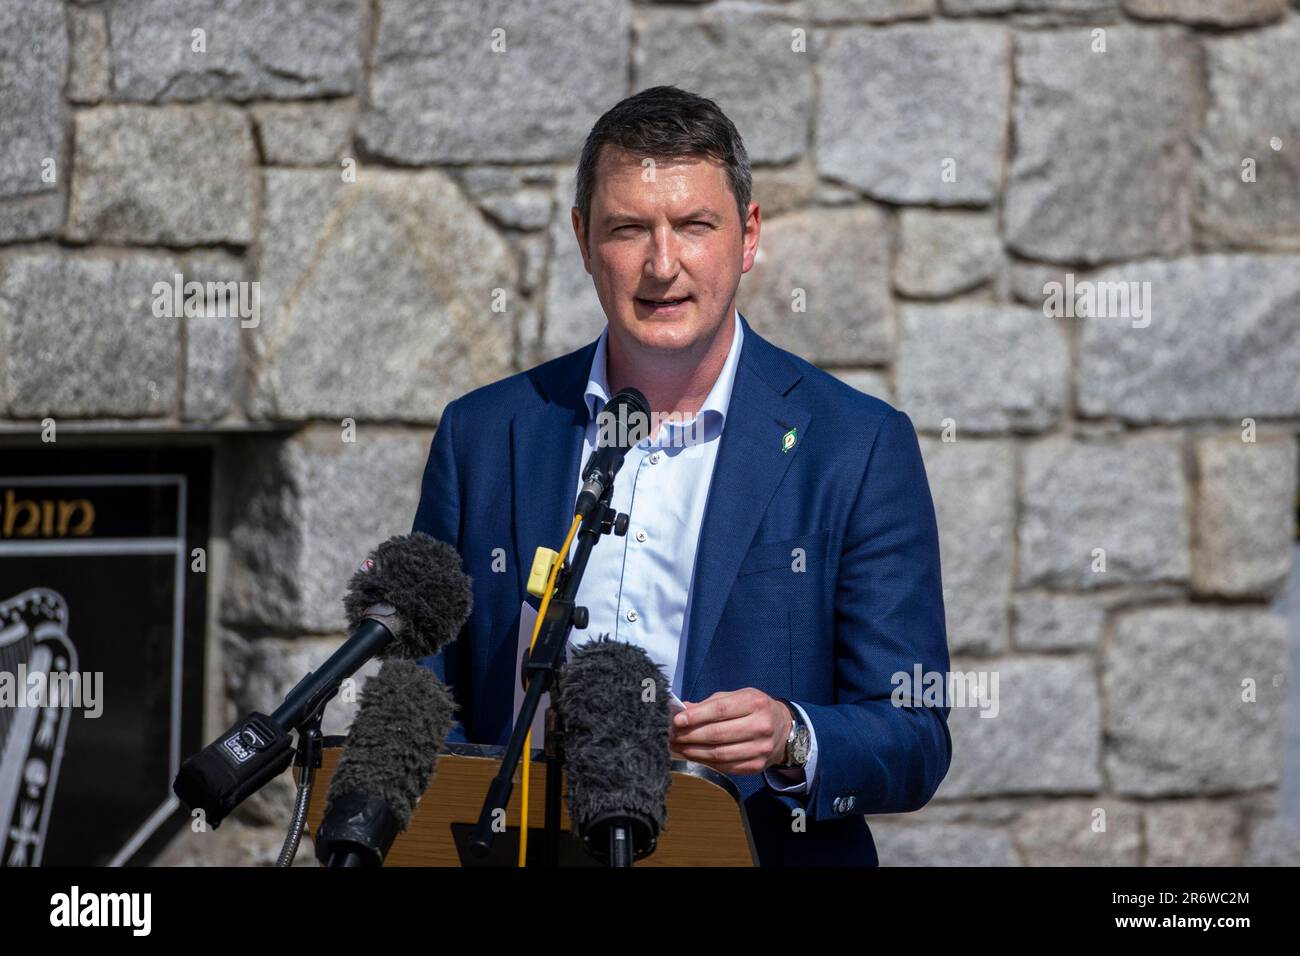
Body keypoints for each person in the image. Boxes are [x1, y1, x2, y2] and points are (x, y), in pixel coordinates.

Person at [412, 85, 951, 866]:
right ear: (582, 238)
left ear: (749, 234)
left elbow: (915, 734)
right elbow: (427, 692)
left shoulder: (858, 446)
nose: (663, 266)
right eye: (629, 229)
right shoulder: (484, 433)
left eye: (694, 226)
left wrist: (792, 736)